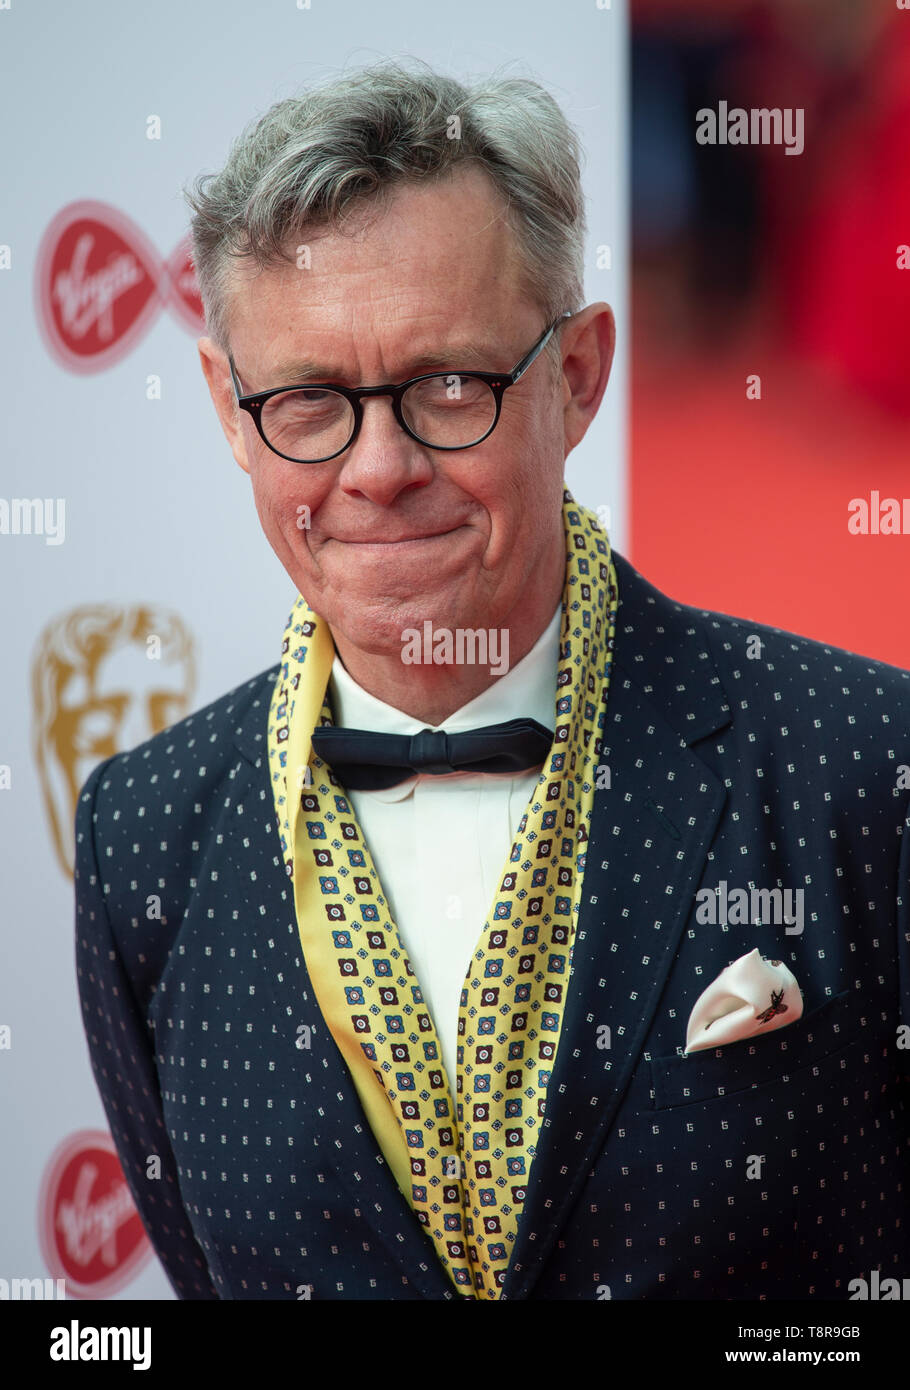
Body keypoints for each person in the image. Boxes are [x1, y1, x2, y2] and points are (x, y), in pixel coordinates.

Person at [75, 58, 910, 1302]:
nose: (377, 468)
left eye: (449, 386)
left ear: (575, 378)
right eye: (307, 401)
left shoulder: (857, 761)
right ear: (230, 410)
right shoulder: (141, 836)